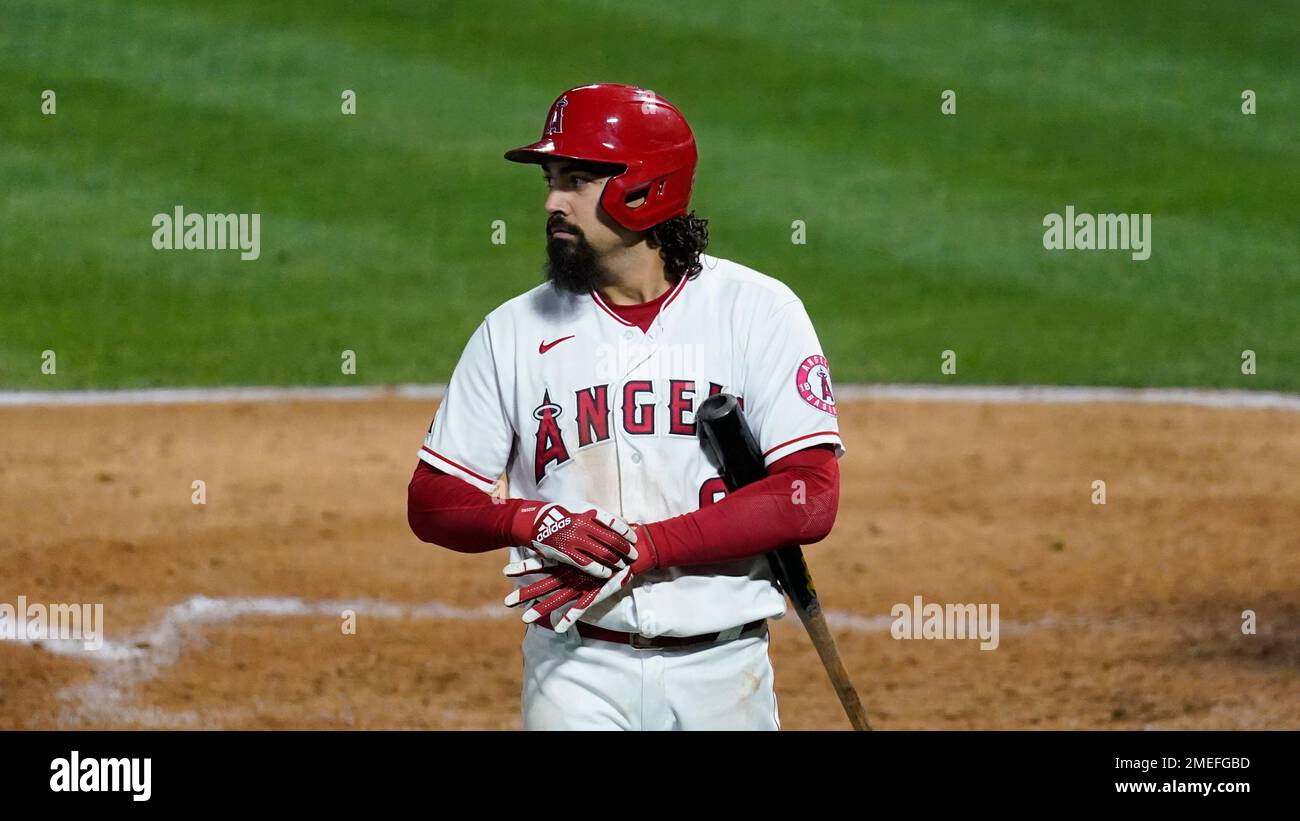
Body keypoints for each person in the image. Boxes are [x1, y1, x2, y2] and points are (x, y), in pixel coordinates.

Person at [407, 83, 843, 730]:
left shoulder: (758, 311)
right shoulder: (512, 331)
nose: (553, 201)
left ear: (646, 188)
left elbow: (809, 497)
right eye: (552, 179)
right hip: (576, 671)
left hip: (725, 670)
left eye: (576, 180)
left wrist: (648, 545)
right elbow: (432, 502)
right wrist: (533, 520)